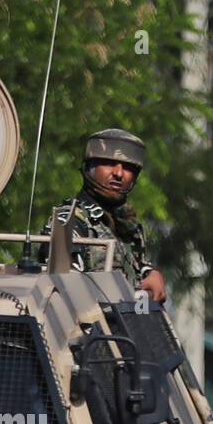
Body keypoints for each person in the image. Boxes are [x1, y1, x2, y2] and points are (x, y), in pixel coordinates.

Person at [40, 128, 166, 301]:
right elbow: (65, 290)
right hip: (87, 324)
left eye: (128, 167)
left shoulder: (127, 224)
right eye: (108, 163)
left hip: (125, 323)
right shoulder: (70, 222)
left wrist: (151, 275)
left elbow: (138, 286)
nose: (119, 173)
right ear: (90, 167)